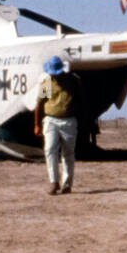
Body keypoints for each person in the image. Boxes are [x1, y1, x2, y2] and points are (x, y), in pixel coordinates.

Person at [34, 55, 82, 195]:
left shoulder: (74, 80)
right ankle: (54, 182)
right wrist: (37, 124)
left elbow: (81, 100)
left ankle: (67, 185)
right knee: (50, 150)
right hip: (50, 121)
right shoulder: (46, 83)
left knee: (68, 153)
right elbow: (39, 104)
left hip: (69, 121)